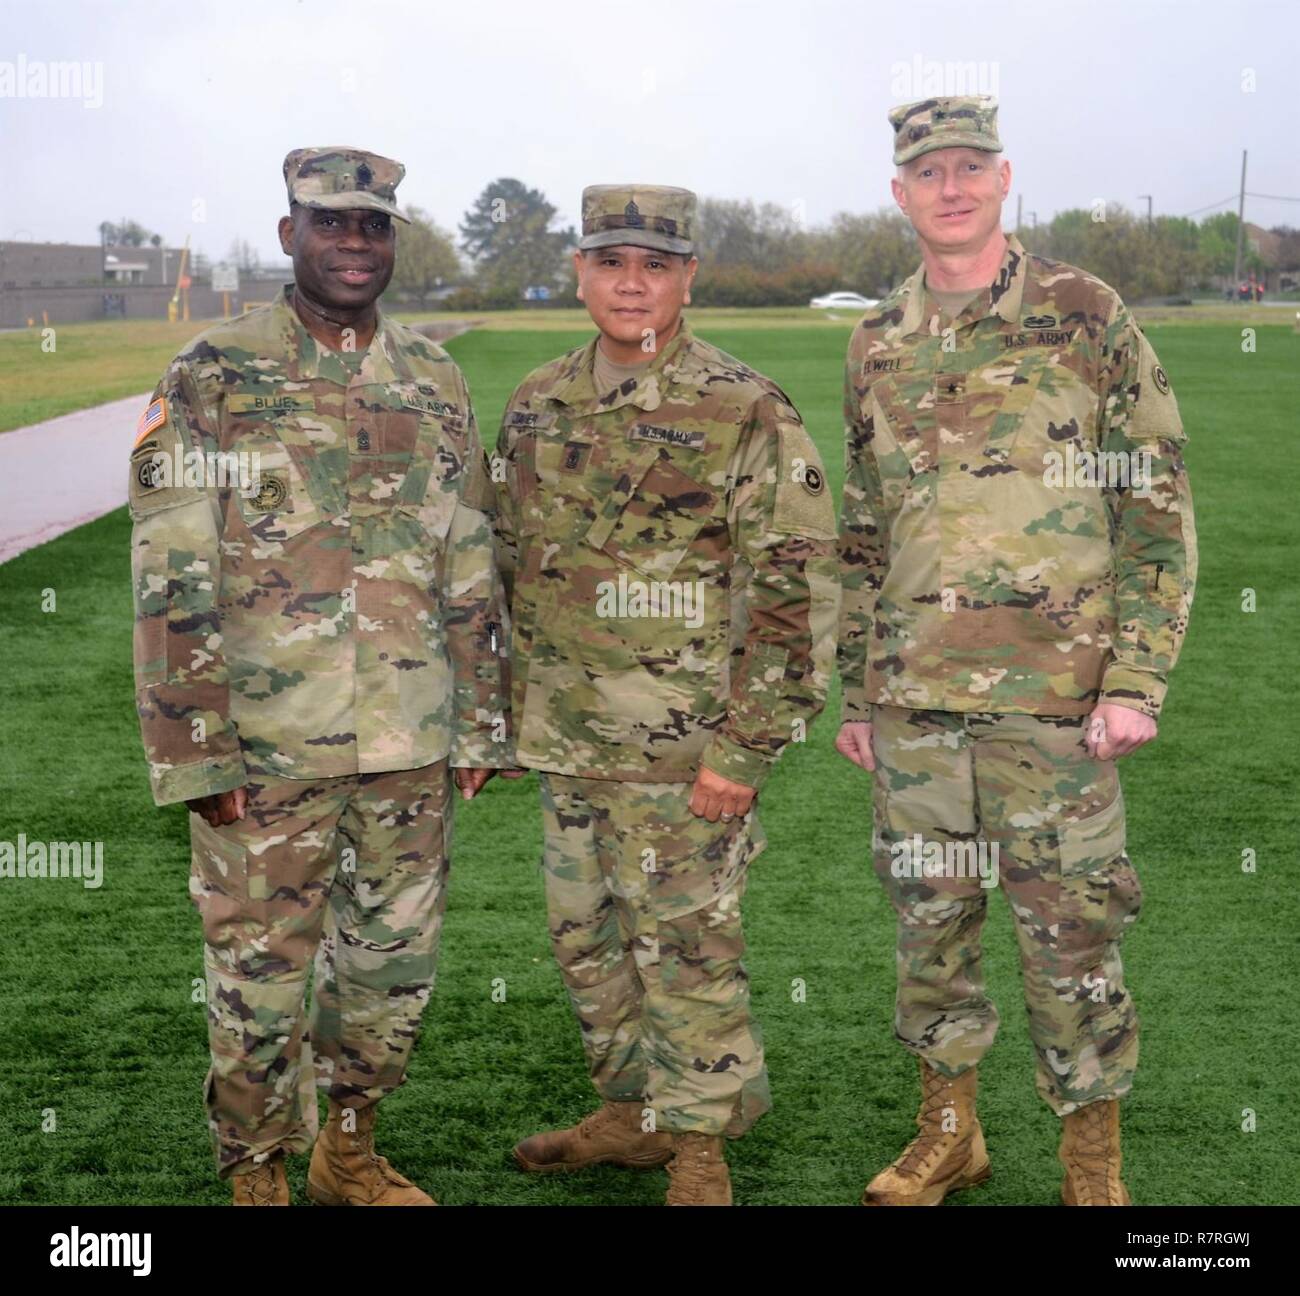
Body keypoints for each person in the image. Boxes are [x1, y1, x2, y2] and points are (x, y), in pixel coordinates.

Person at [128, 146, 510, 1205]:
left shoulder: (432, 378)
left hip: (409, 740)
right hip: (265, 743)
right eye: (331, 222)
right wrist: (194, 748)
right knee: (258, 982)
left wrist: (481, 721)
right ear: (288, 231)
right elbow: (170, 570)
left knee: (389, 971)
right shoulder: (214, 373)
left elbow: (468, 553)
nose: (355, 243)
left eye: (374, 225)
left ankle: (349, 1148)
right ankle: (257, 1173)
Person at [836, 98, 1197, 1206]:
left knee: (1072, 937)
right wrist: (858, 687)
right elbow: (862, 523)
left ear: (1004, 179)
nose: (949, 185)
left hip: (1057, 700)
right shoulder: (875, 340)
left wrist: (1136, 678)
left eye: (969, 166)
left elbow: (1156, 502)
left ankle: (1092, 1170)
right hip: (914, 704)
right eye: (926, 171)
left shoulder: (1085, 313)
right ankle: (950, 1134)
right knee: (930, 930)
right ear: (900, 194)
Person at [492, 185, 840, 1205]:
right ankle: (630, 1112)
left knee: (686, 953)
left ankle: (697, 1153)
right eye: (611, 261)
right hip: (564, 741)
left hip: (685, 754)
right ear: (579, 273)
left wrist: (746, 747)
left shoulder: (745, 407)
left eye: (654, 263)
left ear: (688, 276)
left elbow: (794, 585)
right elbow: (506, 559)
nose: (630, 282)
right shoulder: (536, 400)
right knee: (587, 945)